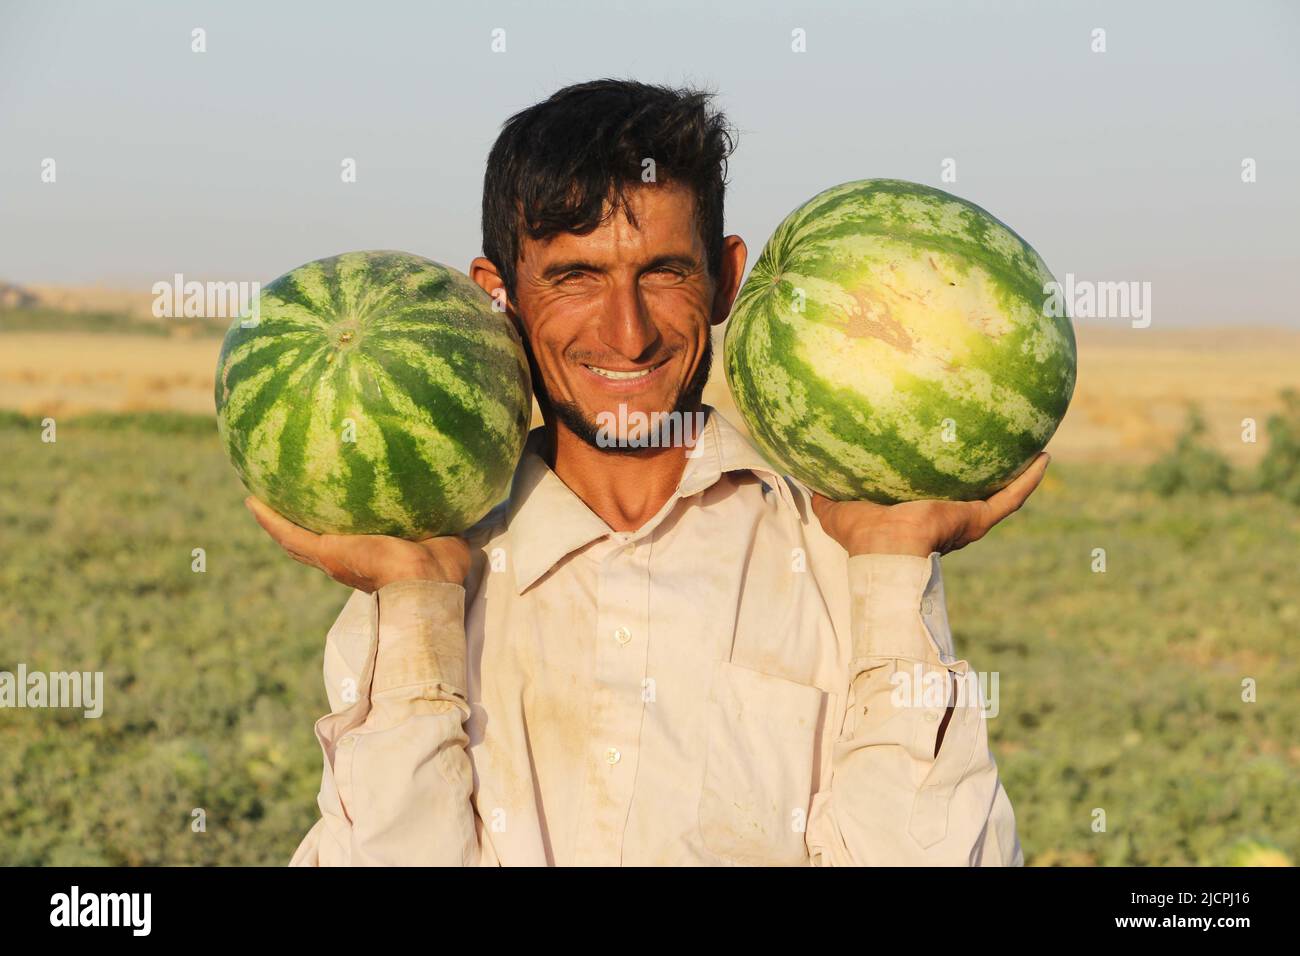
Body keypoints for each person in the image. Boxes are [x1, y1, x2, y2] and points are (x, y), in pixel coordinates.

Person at [248, 79, 1044, 866]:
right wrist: (418, 607)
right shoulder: (428, 576)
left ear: (727, 280)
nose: (626, 335)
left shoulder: (845, 559)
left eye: (664, 273)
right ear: (497, 297)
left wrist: (894, 570)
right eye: (575, 277)